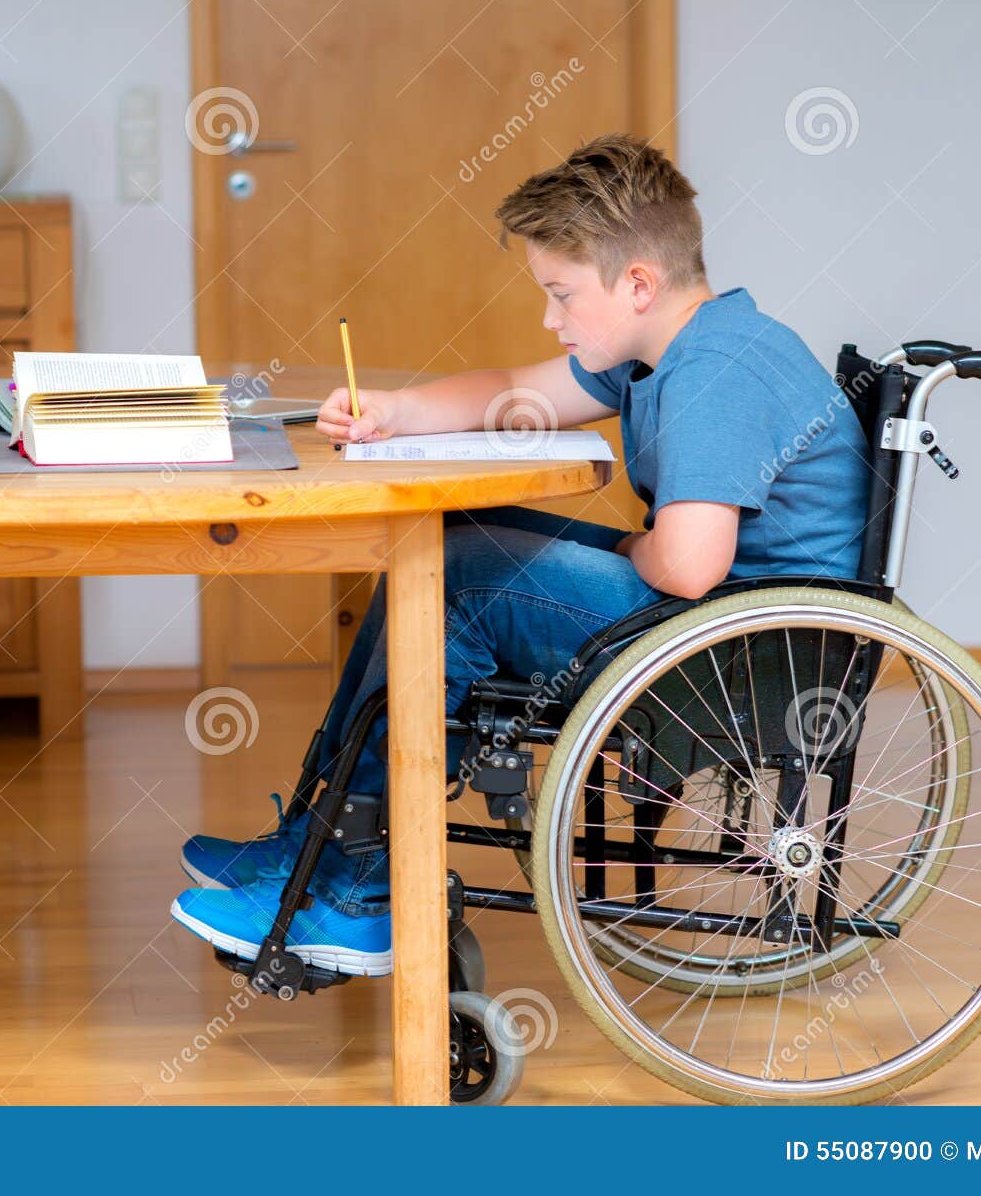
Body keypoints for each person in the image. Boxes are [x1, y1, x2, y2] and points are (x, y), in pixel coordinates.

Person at [169, 132, 868, 976]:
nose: (551, 318)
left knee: (459, 579)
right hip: (724, 623)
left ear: (638, 283)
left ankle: (353, 890)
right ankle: (313, 846)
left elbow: (687, 565)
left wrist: (642, 543)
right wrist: (395, 409)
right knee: (446, 545)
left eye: (562, 295)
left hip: (738, 656)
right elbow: (516, 389)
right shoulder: (674, 348)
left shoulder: (714, 372)